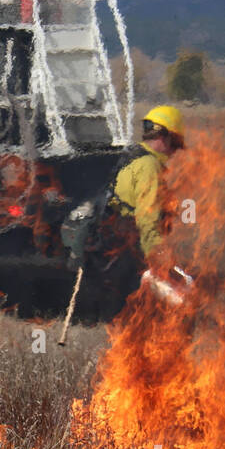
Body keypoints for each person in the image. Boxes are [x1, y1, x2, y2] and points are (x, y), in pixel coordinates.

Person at [70, 104, 185, 320]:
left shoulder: (134, 156)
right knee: (132, 307)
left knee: (117, 300)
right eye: (176, 143)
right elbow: (148, 219)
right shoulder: (149, 167)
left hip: (113, 240)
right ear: (165, 137)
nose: (176, 150)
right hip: (127, 245)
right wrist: (159, 257)